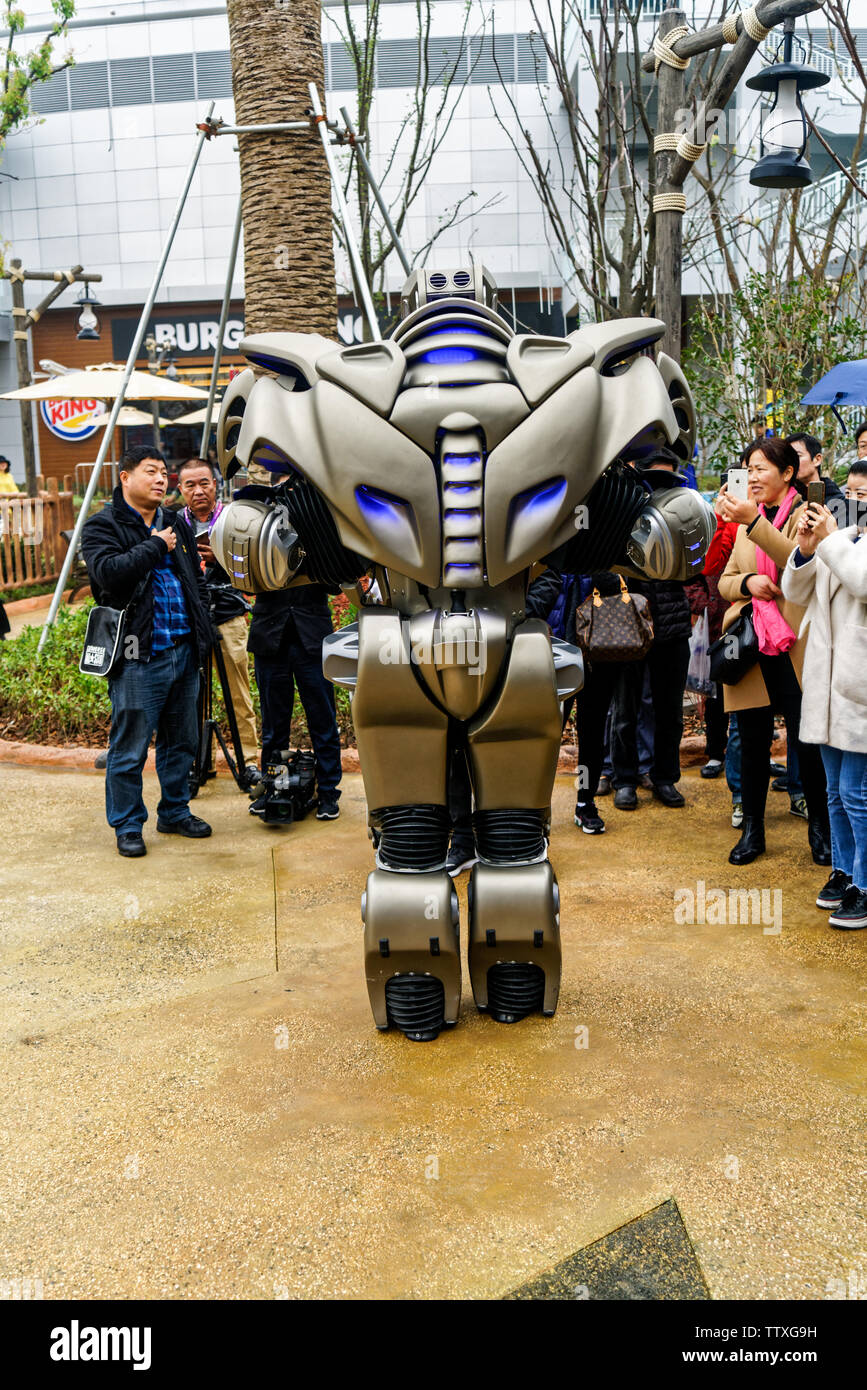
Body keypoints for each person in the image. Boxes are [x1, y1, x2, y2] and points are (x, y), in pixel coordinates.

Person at [80, 445, 213, 857]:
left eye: (163, 473)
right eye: (151, 471)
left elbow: (194, 579)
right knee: (131, 746)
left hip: (182, 650)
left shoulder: (175, 521)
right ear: (125, 477)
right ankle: (127, 824)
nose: (162, 480)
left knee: (182, 741)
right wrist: (156, 546)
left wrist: (202, 628)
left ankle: (174, 811)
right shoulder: (103, 526)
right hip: (138, 653)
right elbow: (108, 578)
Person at [717, 437, 831, 867]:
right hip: (751, 644)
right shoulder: (750, 516)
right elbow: (726, 580)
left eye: (761, 468)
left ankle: (820, 830)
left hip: (796, 645)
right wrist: (747, 585)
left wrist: (752, 524)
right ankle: (753, 831)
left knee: (809, 743)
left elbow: (800, 561)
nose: (752, 477)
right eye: (748, 468)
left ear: (787, 474)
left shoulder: (810, 513)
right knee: (751, 741)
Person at [780, 466, 867, 928]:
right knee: (834, 791)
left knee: (858, 793)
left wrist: (830, 542)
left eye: (863, 492)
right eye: (849, 491)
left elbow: (863, 582)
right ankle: (845, 870)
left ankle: (866, 885)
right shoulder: (846, 537)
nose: (852, 499)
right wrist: (806, 550)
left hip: (859, 689)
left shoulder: (848, 543)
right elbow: (795, 590)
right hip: (828, 683)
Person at [610, 448, 693, 811]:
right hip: (629, 623)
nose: (661, 485)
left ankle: (664, 777)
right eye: (654, 478)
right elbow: (600, 566)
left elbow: (698, 564)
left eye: (669, 479)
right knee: (625, 709)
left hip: (672, 624)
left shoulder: (685, 512)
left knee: (669, 709)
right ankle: (624, 779)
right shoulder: (621, 508)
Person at [176, 457, 259, 782]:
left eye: (204, 483)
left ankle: (248, 761)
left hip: (228, 614)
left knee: (239, 692)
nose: (198, 491)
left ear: (216, 484)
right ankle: (201, 763)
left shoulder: (235, 519)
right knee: (193, 694)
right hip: (189, 620)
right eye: (190, 485)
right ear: (180, 488)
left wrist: (223, 558)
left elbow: (255, 565)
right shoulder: (173, 522)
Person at [247, 586, 343, 821]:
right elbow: (243, 581)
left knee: (323, 720)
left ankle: (328, 793)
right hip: (269, 634)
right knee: (273, 727)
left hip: (312, 634)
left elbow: (336, 583)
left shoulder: (321, 546)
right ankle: (274, 790)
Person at [783, 432, 844, 503]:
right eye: (788, 458)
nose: (791, 462)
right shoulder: (785, 500)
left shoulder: (838, 501)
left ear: (817, 460)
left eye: (797, 456)